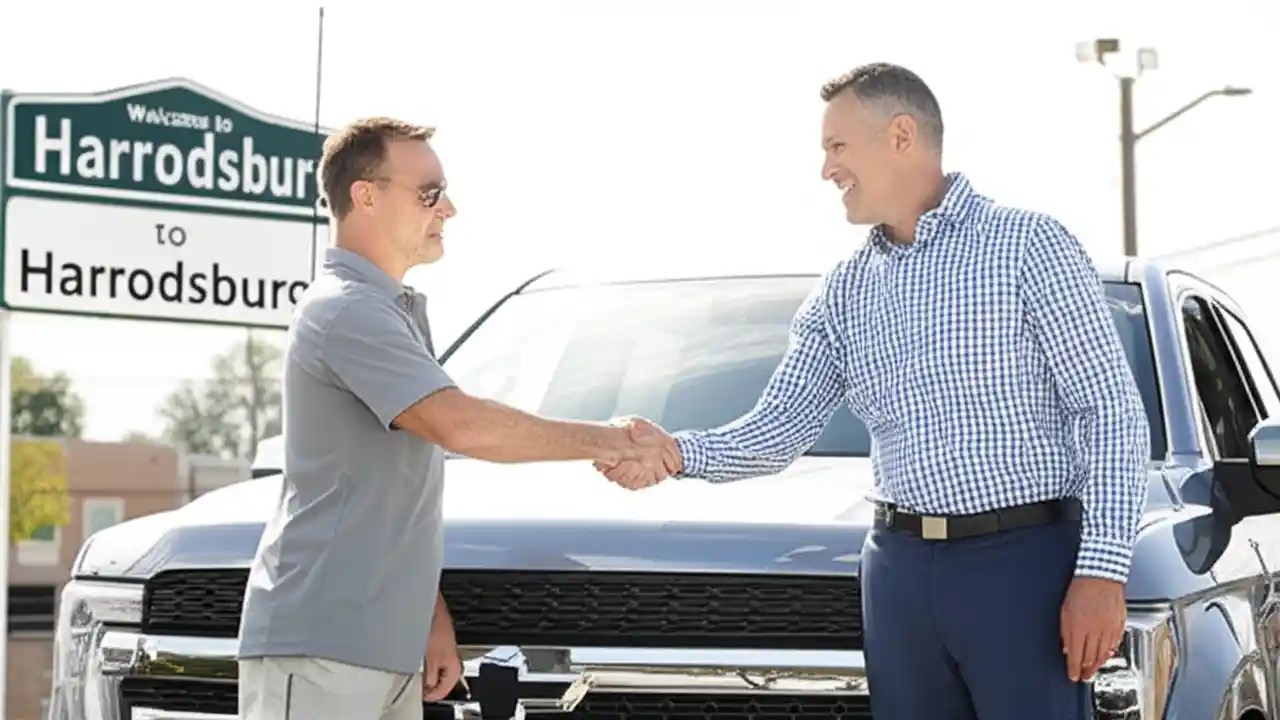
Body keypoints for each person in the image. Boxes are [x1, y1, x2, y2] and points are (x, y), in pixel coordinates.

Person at [596, 63, 1150, 719]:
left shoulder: (1029, 245)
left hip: (1022, 565)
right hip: (897, 572)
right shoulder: (845, 288)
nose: (827, 169)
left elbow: (1109, 409)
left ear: (900, 135)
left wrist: (1103, 571)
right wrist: (675, 453)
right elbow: (778, 428)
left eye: (837, 147)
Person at [236, 116, 678, 720]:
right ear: (365, 196)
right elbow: (460, 425)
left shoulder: (388, 313)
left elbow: (390, 489)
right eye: (430, 193)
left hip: (375, 647)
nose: (449, 209)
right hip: (323, 647)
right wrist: (613, 441)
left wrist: (428, 611)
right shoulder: (347, 311)